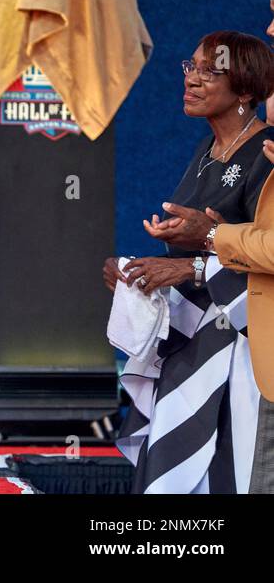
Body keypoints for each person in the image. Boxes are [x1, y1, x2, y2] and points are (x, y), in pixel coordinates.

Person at [105, 31, 274, 492]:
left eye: (209, 71)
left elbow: (263, 254)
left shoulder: (266, 155)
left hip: (244, 360)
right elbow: (200, 249)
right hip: (192, 350)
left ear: (245, 90)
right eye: (190, 67)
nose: (193, 80)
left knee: (226, 477)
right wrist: (145, 272)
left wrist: (195, 262)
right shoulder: (206, 151)